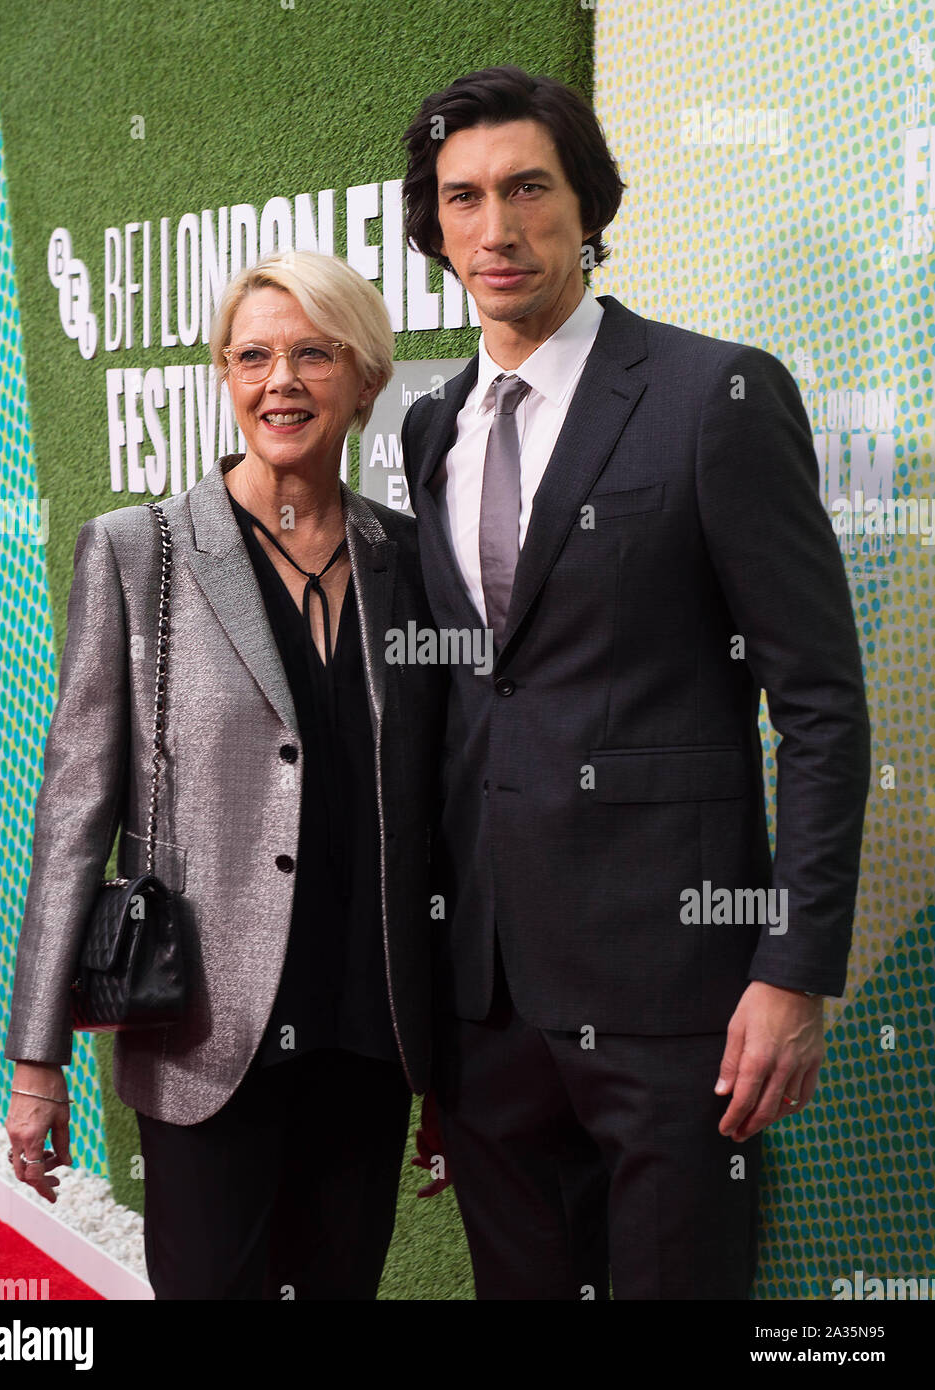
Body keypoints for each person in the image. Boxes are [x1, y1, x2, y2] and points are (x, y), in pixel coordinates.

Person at [399, 65, 871, 1299]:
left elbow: (818, 701)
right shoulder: (430, 425)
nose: (496, 230)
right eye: (462, 200)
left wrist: (792, 967)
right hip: (487, 1006)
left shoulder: (712, 395)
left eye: (527, 189)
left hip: (679, 1001)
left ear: (588, 203)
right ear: (433, 225)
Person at [3, 249, 445, 1300]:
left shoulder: (412, 562)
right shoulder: (135, 552)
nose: (278, 381)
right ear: (223, 375)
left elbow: (441, 817)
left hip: (370, 1040)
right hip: (204, 1041)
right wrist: (36, 1057)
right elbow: (75, 813)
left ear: (367, 377)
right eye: (251, 356)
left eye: (311, 354)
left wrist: (449, 1055)